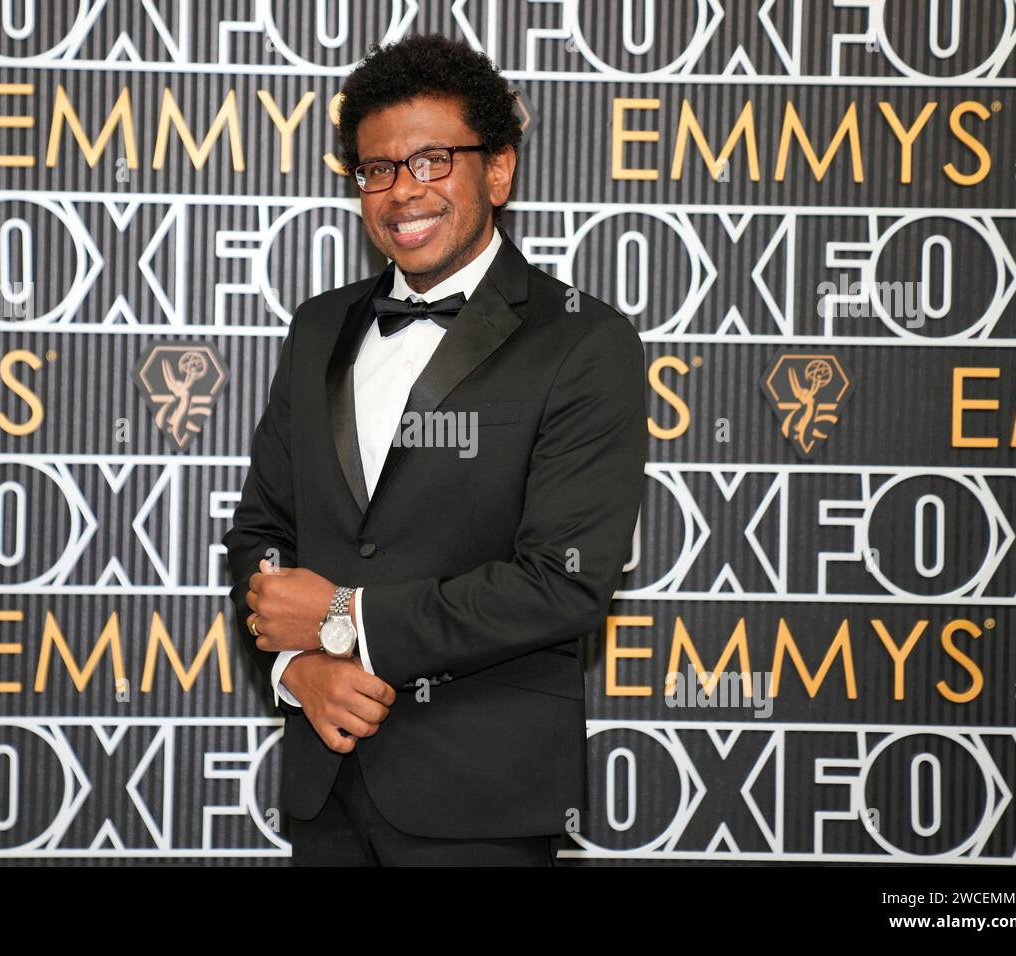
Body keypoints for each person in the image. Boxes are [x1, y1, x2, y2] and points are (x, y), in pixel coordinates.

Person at [223, 33, 648, 866]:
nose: (400, 191)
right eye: (375, 169)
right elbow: (262, 534)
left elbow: (562, 582)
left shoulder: (581, 340)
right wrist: (298, 673)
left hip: (480, 798)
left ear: (497, 171)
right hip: (326, 786)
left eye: (430, 160)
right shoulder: (317, 328)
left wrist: (345, 620)